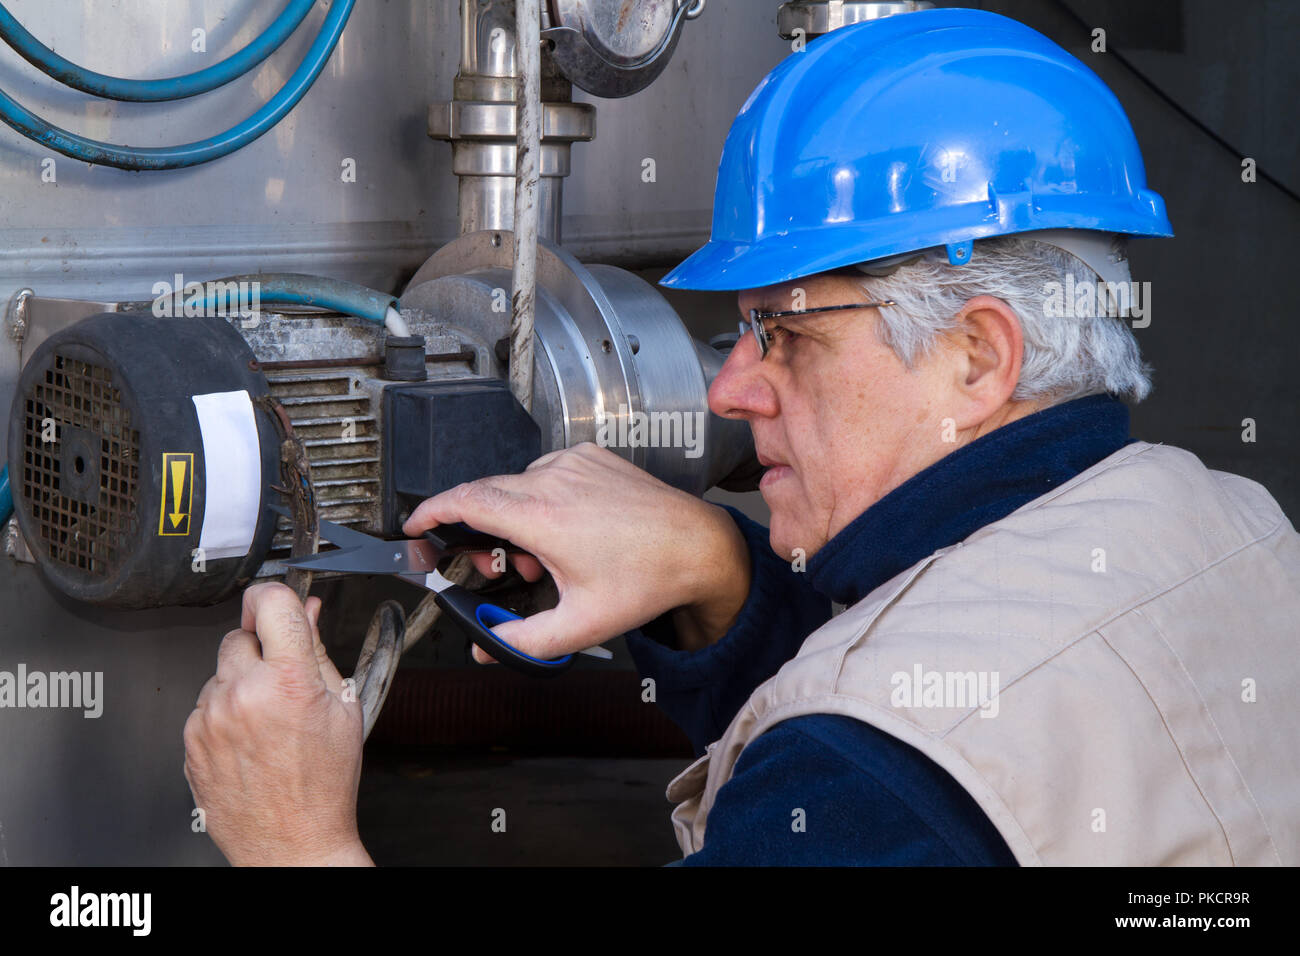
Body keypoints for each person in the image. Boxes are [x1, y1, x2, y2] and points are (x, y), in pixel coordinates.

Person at [184, 8, 1300, 866]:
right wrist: (722, 576)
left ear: (977, 356)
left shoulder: (865, 783)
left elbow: (889, 779)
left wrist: (297, 840)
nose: (727, 388)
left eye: (783, 334)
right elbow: (972, 704)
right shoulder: (1235, 527)